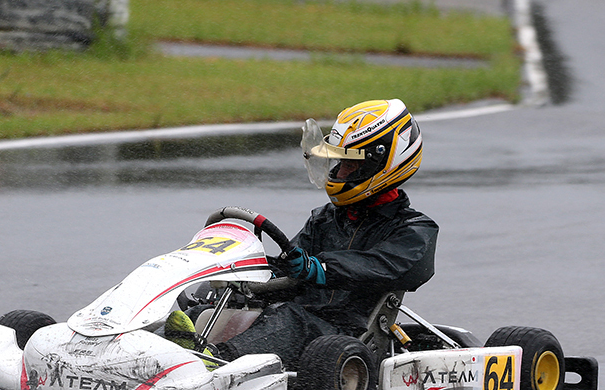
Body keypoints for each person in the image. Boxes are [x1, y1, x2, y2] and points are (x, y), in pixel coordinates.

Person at [168, 98, 439, 370]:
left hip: (342, 332)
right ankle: (155, 352)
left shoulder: (413, 229)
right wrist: (247, 272)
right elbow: (292, 266)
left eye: (349, 166)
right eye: (338, 164)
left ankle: (215, 361)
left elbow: (380, 266)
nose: (338, 172)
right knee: (214, 303)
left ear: (379, 164)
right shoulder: (324, 219)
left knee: (292, 320)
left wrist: (320, 267)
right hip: (295, 316)